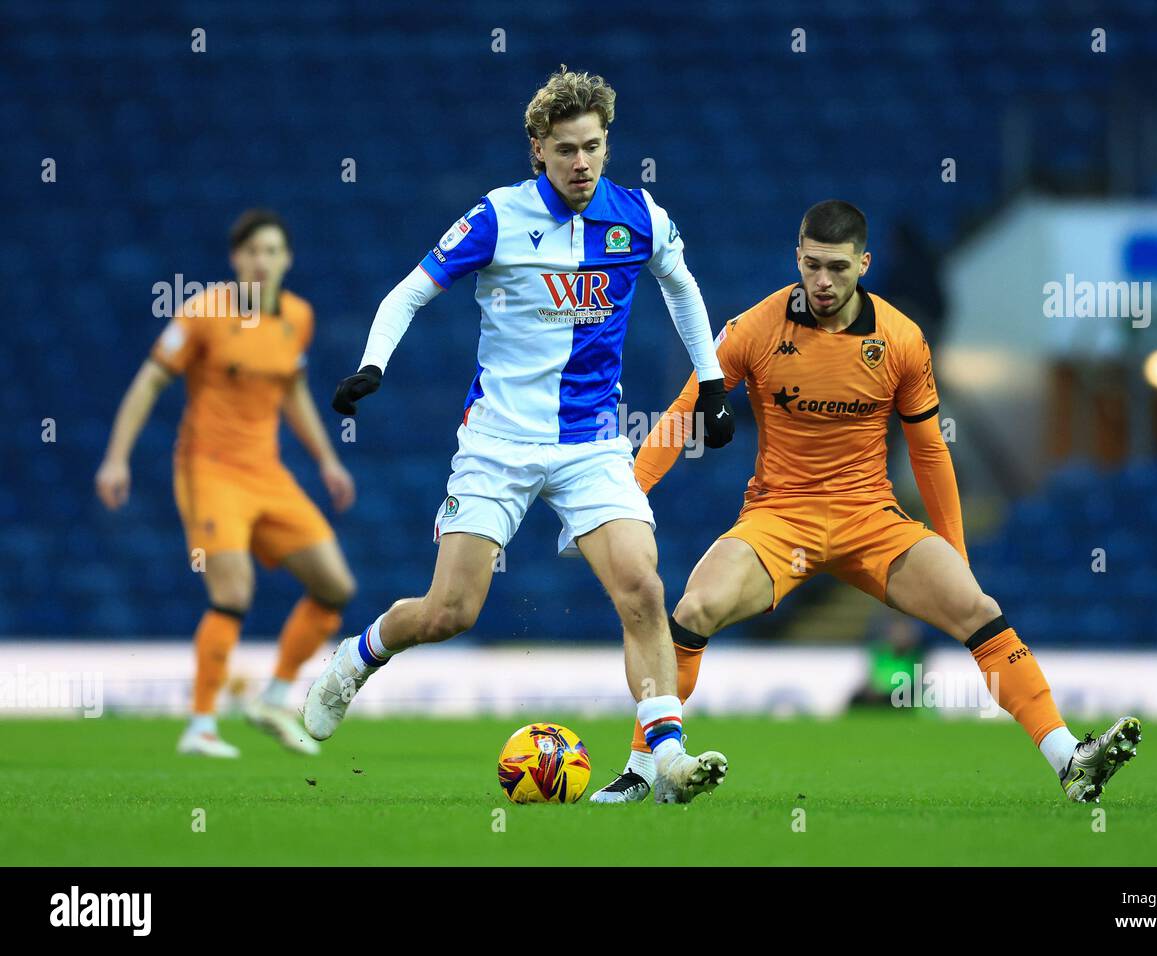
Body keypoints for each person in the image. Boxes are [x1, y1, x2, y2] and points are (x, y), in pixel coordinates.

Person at [590, 200, 1141, 804]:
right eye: (812, 266)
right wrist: (626, 499)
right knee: (695, 607)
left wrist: (953, 551)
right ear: (797, 258)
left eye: (838, 268)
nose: (822, 282)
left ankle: (1069, 760)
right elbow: (684, 411)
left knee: (976, 605)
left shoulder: (901, 340)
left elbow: (929, 452)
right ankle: (648, 771)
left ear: (864, 264)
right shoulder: (755, 329)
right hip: (781, 519)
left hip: (869, 519)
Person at [303, 66, 735, 804]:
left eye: (593, 147)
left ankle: (666, 755)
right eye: (565, 149)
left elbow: (683, 287)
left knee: (641, 585)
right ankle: (357, 657)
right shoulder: (497, 218)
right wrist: (372, 365)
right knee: (450, 612)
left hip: (592, 441)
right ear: (537, 147)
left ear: (607, 143)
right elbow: (411, 290)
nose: (581, 163)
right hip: (498, 442)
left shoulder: (639, 218)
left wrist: (714, 382)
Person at [96, 209, 357, 757]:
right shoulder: (203, 312)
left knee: (335, 587)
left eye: (272, 251)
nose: (262, 261)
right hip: (209, 471)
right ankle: (200, 726)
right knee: (232, 591)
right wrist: (116, 459)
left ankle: (275, 697)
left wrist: (328, 461)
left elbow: (293, 392)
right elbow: (148, 383)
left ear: (287, 259)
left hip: (268, 475)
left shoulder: (297, 318)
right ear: (236, 259)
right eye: (252, 251)